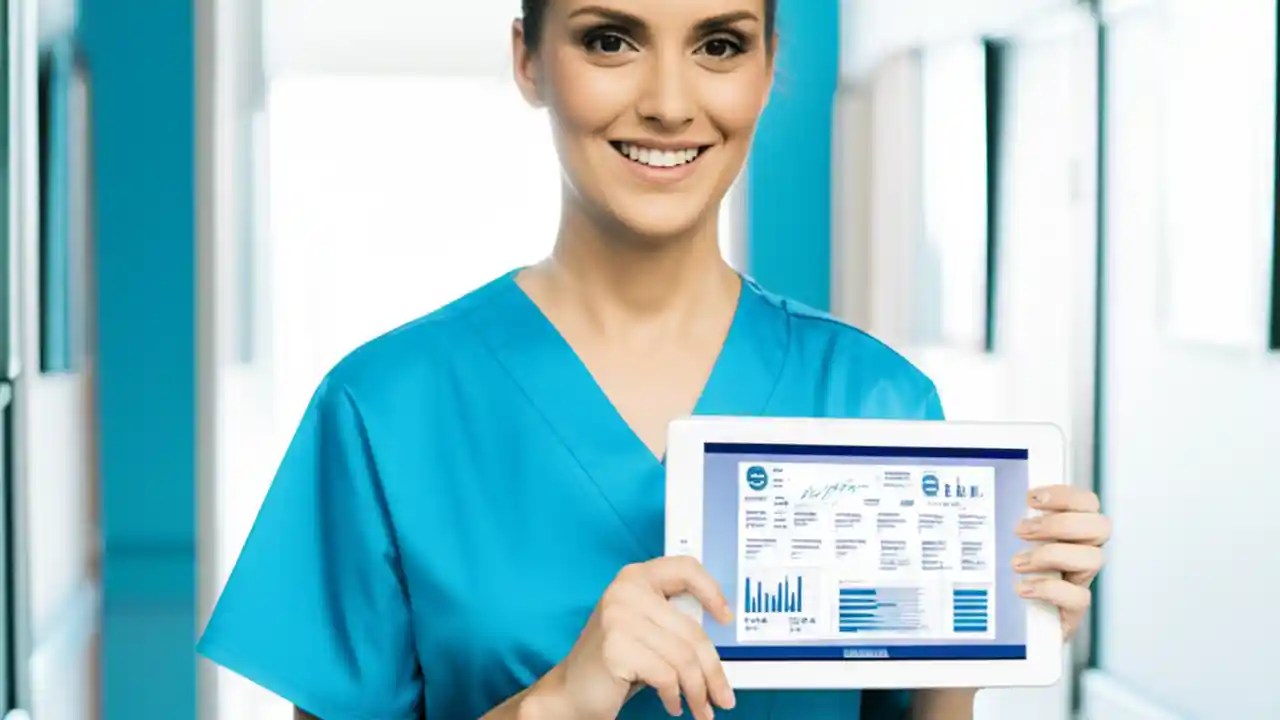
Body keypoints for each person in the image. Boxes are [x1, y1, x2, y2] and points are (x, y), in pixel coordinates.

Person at [196, 1, 1112, 718]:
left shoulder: (878, 399)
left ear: (767, 63)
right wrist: (557, 702)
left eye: (719, 44)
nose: (671, 102)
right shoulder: (385, 411)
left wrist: (991, 635)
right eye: (610, 41)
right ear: (528, 58)